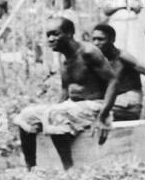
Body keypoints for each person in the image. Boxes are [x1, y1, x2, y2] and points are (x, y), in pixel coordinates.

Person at [13, 15, 120, 170]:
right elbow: (65, 91)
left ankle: (68, 169)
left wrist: (104, 116)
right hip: (72, 107)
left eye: (55, 34)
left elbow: (113, 81)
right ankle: (31, 168)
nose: (50, 39)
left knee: (56, 114)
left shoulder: (88, 52)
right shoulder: (64, 59)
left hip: (95, 106)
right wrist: (48, 111)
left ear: (69, 33)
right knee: (26, 115)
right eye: (48, 35)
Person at [92, 22, 145, 120]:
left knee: (89, 109)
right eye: (94, 39)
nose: (96, 43)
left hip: (129, 104)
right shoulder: (98, 58)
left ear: (112, 39)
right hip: (112, 102)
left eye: (100, 39)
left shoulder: (123, 57)